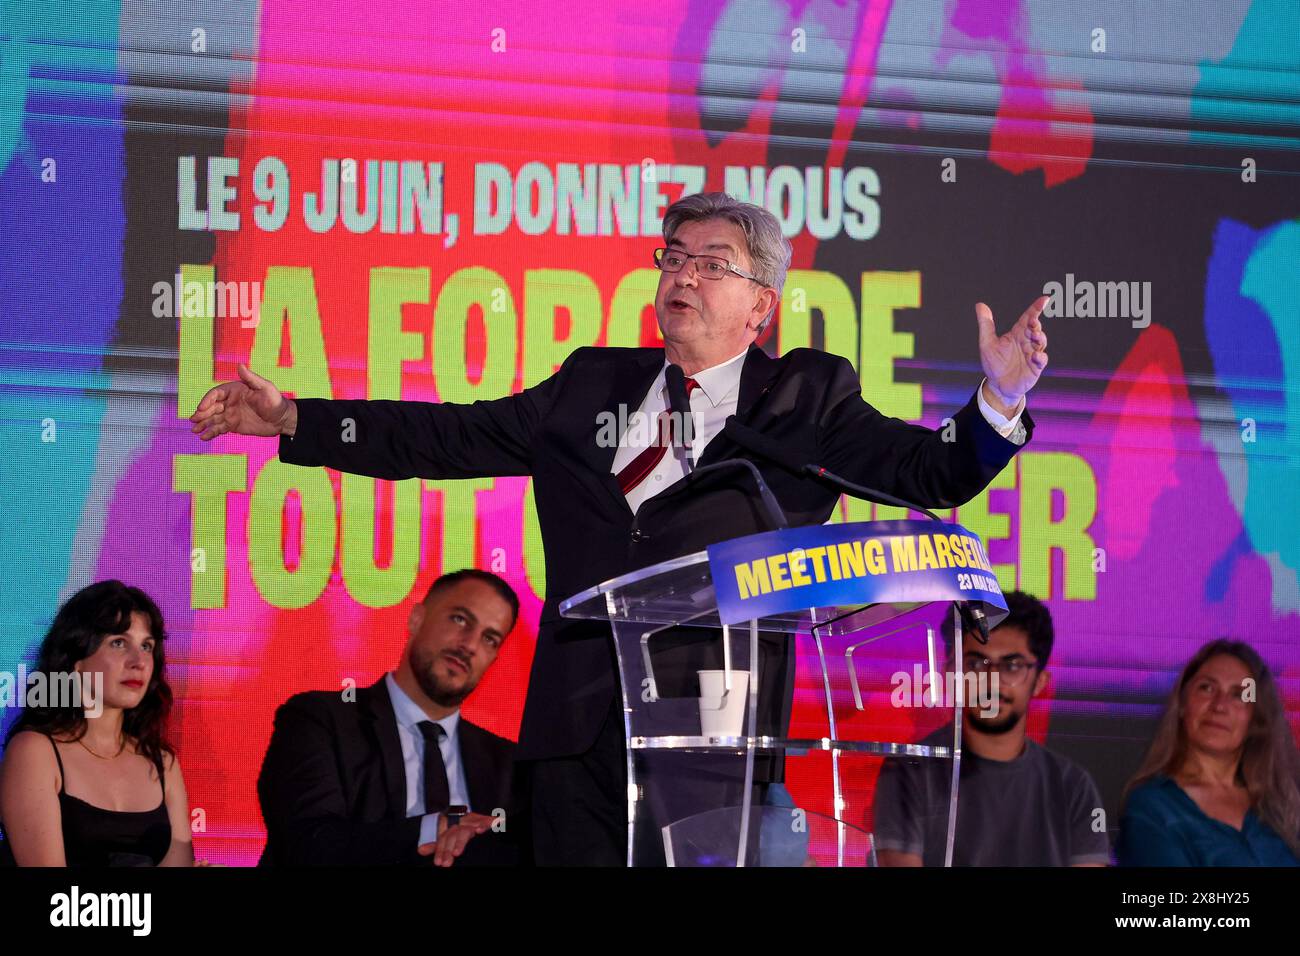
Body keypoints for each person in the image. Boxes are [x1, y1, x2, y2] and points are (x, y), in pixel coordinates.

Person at [191, 191, 1049, 865]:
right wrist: (298, 419)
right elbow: (448, 436)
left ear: (762, 307)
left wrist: (999, 400)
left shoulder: (804, 399)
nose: (683, 274)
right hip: (573, 738)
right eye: (673, 257)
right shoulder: (589, 385)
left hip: (712, 744)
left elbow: (933, 474)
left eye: (712, 263)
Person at [257, 569, 520, 866]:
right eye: (460, 619)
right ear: (416, 619)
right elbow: (307, 842)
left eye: (490, 639)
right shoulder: (321, 721)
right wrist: (433, 828)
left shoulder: (509, 765)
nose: (470, 645)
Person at [874, 591, 1109, 866]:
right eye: (975, 663)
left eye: (1012, 665)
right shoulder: (909, 771)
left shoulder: (1072, 786)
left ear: (1040, 681)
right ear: (950, 672)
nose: (991, 681)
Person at [0, 580, 197, 866]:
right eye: (119, 643)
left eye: (147, 646)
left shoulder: (162, 762)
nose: (138, 661)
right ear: (77, 659)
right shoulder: (34, 751)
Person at [1117, 639, 1300, 866]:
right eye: (1207, 688)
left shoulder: (1281, 805)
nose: (1219, 705)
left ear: (1256, 717)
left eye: (1239, 695)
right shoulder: (1151, 808)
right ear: (1182, 704)